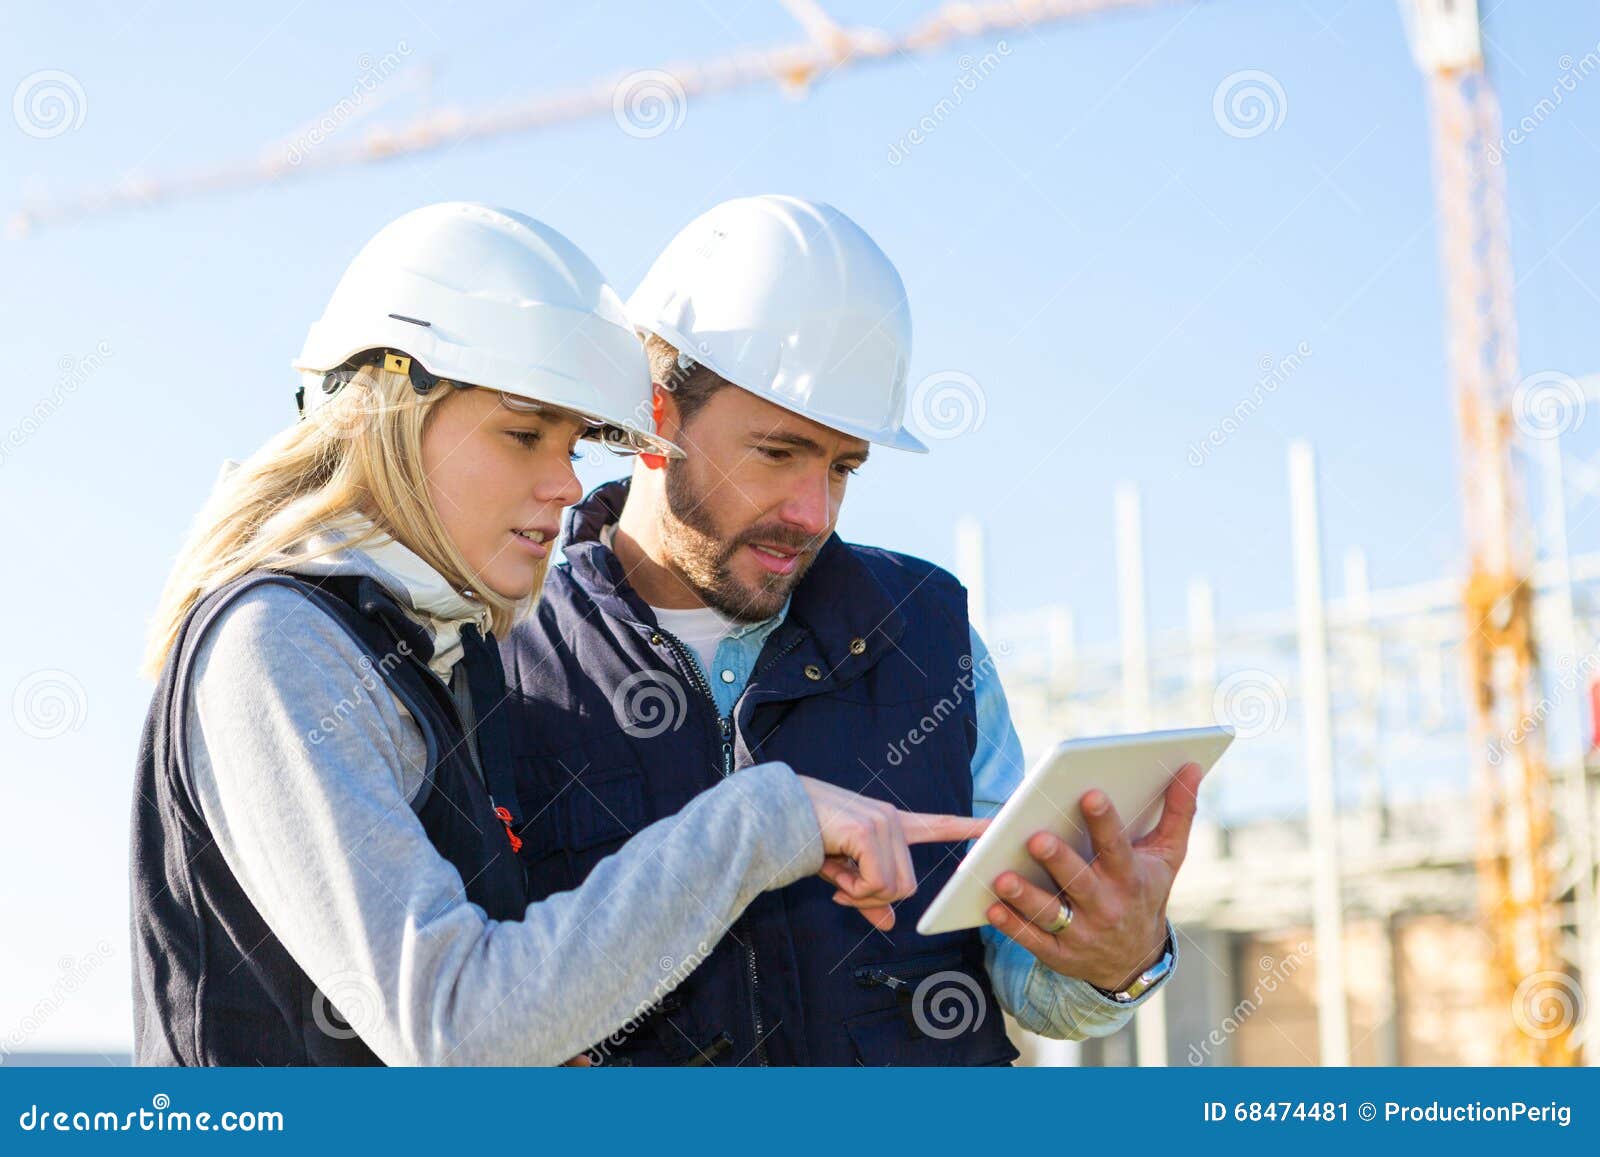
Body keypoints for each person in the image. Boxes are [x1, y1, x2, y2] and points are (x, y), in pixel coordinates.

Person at [129, 201, 987, 1067]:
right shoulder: (278, 646)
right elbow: (456, 1026)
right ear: (387, 411)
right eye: (525, 435)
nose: (567, 483)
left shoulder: (439, 660)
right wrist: (767, 819)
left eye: (573, 442)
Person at [501, 195, 1201, 1066]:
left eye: (843, 467)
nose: (812, 510)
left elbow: (1028, 969)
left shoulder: (929, 634)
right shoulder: (503, 662)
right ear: (655, 415)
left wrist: (1115, 957)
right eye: (778, 452)